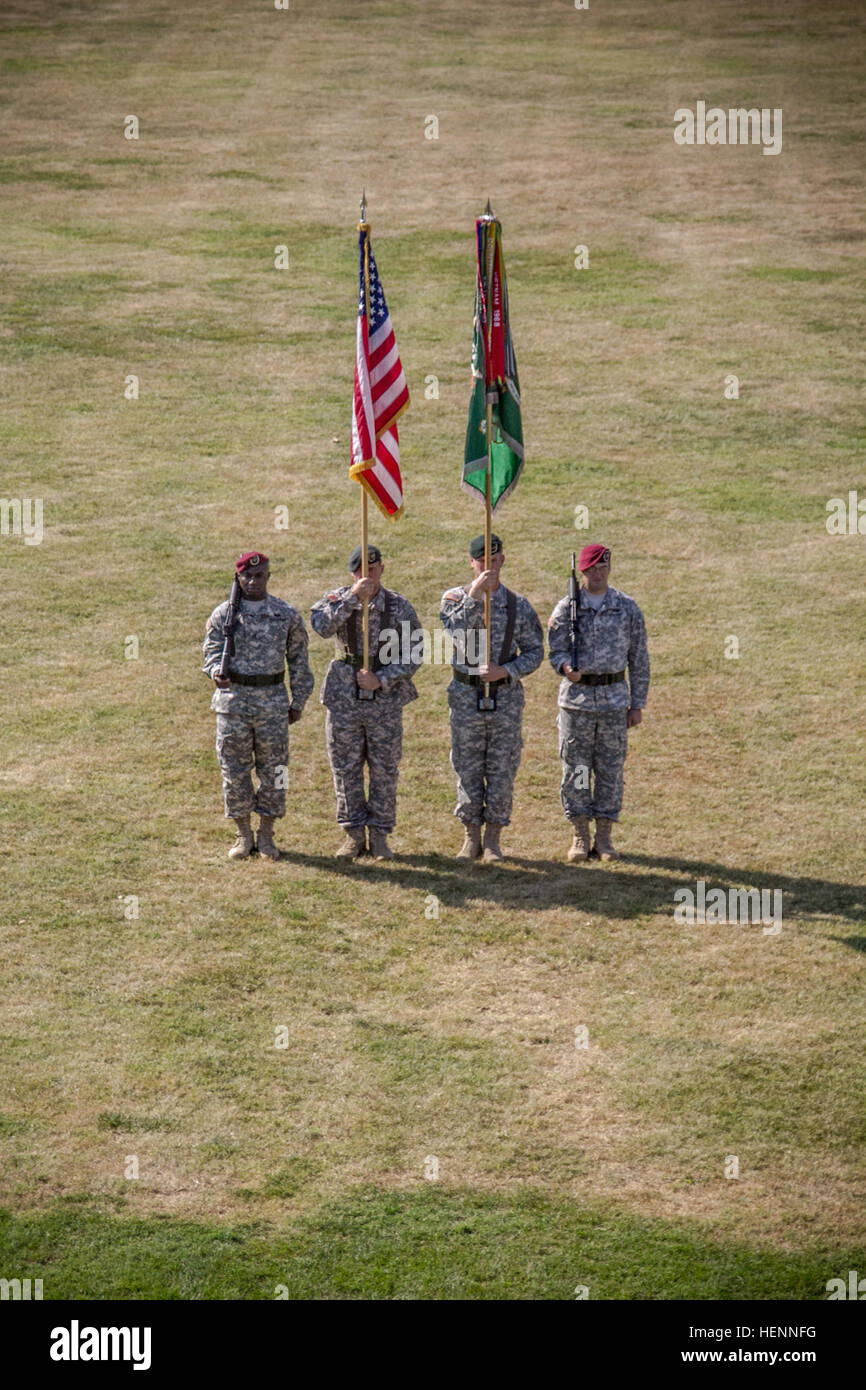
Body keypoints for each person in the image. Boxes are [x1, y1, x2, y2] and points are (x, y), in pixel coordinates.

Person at [310, 544, 421, 861]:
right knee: (345, 769)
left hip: (383, 702)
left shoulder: (398, 606)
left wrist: (382, 679)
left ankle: (381, 835)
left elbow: (415, 653)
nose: (367, 575)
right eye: (360, 570)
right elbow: (320, 626)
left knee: (384, 769)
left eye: (372, 569)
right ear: (351, 573)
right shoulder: (337, 599)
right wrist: (351, 599)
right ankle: (353, 834)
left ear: (383, 569)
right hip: (344, 698)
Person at [202, 551, 313, 860]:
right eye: (246, 576)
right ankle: (243, 834)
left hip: (272, 704)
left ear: (268, 575)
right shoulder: (224, 614)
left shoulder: (285, 614)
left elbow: (299, 661)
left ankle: (266, 833)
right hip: (232, 703)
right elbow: (210, 650)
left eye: (259, 575)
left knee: (275, 771)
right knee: (233, 771)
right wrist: (215, 671)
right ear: (238, 578)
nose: (252, 581)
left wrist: (299, 700)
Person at [440, 533, 544, 863]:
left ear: (503, 560)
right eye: (482, 561)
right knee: (468, 767)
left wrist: (507, 671)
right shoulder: (454, 598)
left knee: (501, 768)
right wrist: (475, 594)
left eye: (495, 560)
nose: (490, 567)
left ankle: (494, 839)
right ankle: (470, 836)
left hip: (505, 699)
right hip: (466, 696)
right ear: (471, 563)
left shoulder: (518, 605)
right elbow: (455, 632)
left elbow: (535, 652)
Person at [547, 543, 649, 862]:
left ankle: (604, 838)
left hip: (614, 701)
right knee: (576, 770)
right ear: (583, 571)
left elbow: (639, 659)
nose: (599, 573)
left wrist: (637, 703)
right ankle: (579, 835)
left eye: (604, 567)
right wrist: (565, 668)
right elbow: (555, 650)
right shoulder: (567, 608)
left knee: (610, 770)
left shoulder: (627, 608)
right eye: (593, 568)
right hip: (576, 702)